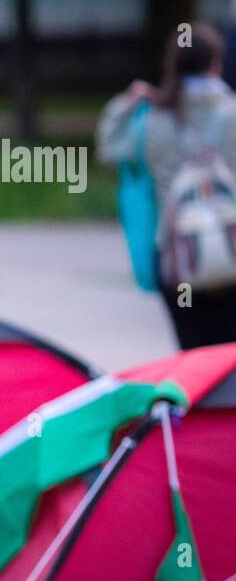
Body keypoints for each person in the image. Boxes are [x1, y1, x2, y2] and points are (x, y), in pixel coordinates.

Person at [96, 23, 236, 349]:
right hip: (231, 251)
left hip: (177, 259)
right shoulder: (232, 114)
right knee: (230, 354)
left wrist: (128, 101)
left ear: (171, 65)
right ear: (215, 63)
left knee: (192, 355)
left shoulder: (153, 120)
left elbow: (109, 147)